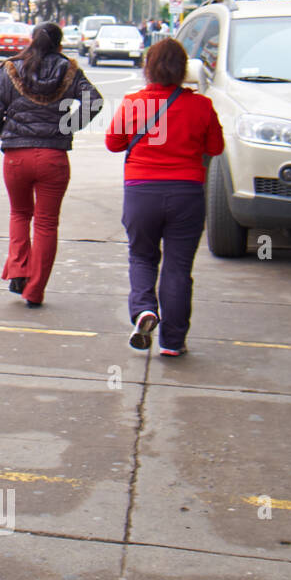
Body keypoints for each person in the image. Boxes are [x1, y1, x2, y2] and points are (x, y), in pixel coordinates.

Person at [106, 38, 223, 356]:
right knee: (178, 267)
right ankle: (172, 341)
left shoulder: (133, 103)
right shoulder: (201, 106)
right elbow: (215, 149)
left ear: (148, 67)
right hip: (186, 194)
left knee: (142, 256)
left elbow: (113, 143)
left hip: (141, 193)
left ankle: (144, 309)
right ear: (184, 69)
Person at [0, 22, 104, 306]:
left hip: (16, 157)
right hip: (53, 158)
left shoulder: (12, 68)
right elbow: (94, 101)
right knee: (47, 224)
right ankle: (35, 290)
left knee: (19, 214)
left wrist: (3, 131)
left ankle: (18, 269)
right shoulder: (70, 70)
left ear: (31, 42)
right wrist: (67, 126)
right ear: (60, 46)